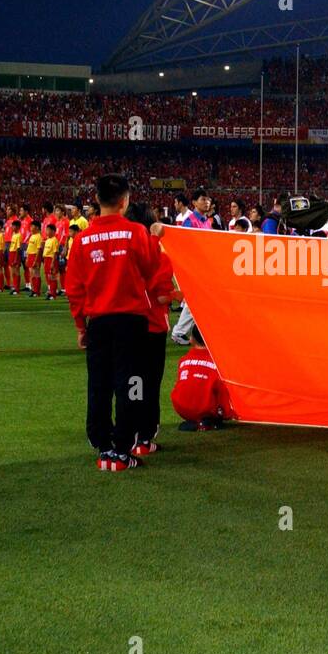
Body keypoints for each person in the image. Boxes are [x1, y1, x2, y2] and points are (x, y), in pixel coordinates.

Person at [66, 174, 160, 472]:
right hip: (131, 323)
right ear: (125, 201)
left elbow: (74, 289)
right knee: (131, 385)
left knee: (99, 385)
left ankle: (102, 444)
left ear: (96, 200)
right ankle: (122, 448)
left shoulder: (81, 240)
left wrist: (82, 326)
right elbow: (150, 269)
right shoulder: (136, 233)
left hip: (99, 323)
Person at [125, 201, 179, 457]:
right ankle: (144, 438)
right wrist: (178, 295)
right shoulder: (160, 257)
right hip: (152, 328)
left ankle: (128, 432)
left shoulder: (122, 253)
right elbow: (159, 297)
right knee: (150, 383)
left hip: (126, 327)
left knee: (132, 381)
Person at [171, 326, 233, 431]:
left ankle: (194, 420)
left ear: (191, 339)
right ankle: (205, 421)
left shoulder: (183, 360)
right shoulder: (217, 362)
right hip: (204, 408)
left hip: (181, 407)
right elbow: (222, 392)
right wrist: (227, 413)